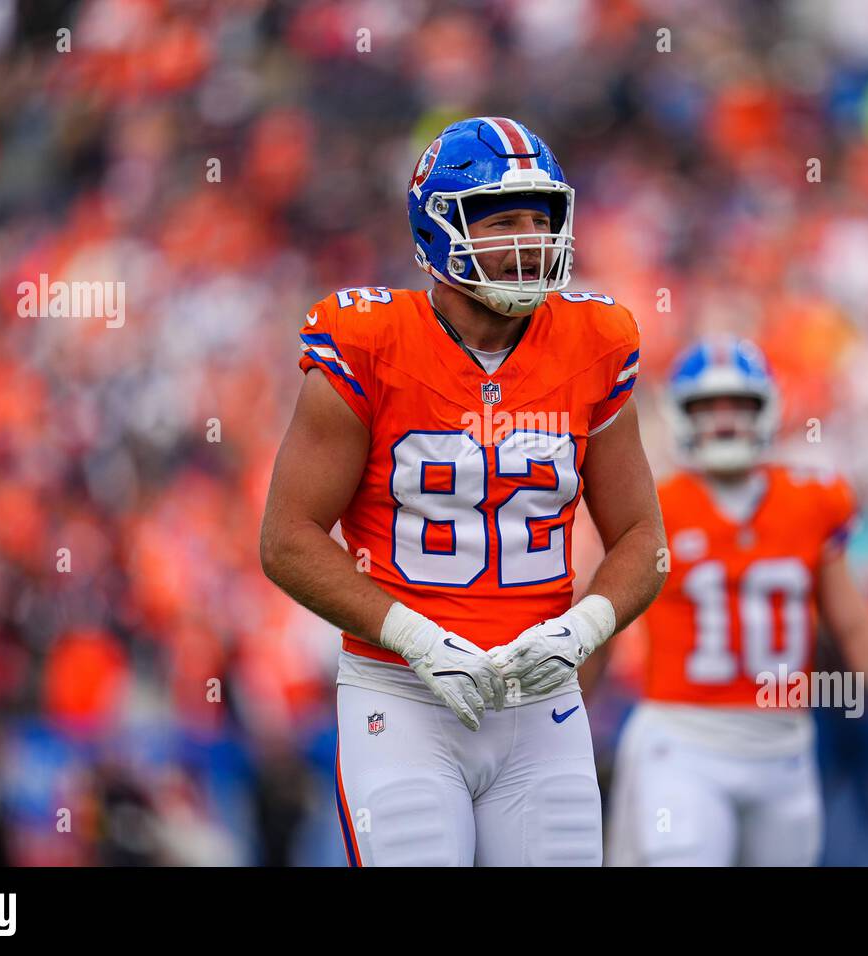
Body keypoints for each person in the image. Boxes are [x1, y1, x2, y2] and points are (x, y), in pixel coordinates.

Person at [260, 116, 666, 866]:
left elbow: (644, 538)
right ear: (439, 226)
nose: (528, 240)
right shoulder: (368, 341)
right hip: (404, 697)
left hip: (540, 703)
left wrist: (581, 632)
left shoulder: (595, 341)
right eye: (502, 220)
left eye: (539, 221)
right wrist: (414, 636)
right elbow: (286, 540)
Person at [605, 336, 868, 867]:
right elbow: (606, 618)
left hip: (783, 747)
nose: (725, 421)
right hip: (684, 740)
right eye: (708, 408)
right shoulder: (655, 506)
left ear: (767, 410)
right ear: (683, 417)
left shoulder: (813, 500)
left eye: (739, 405)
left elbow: (851, 620)